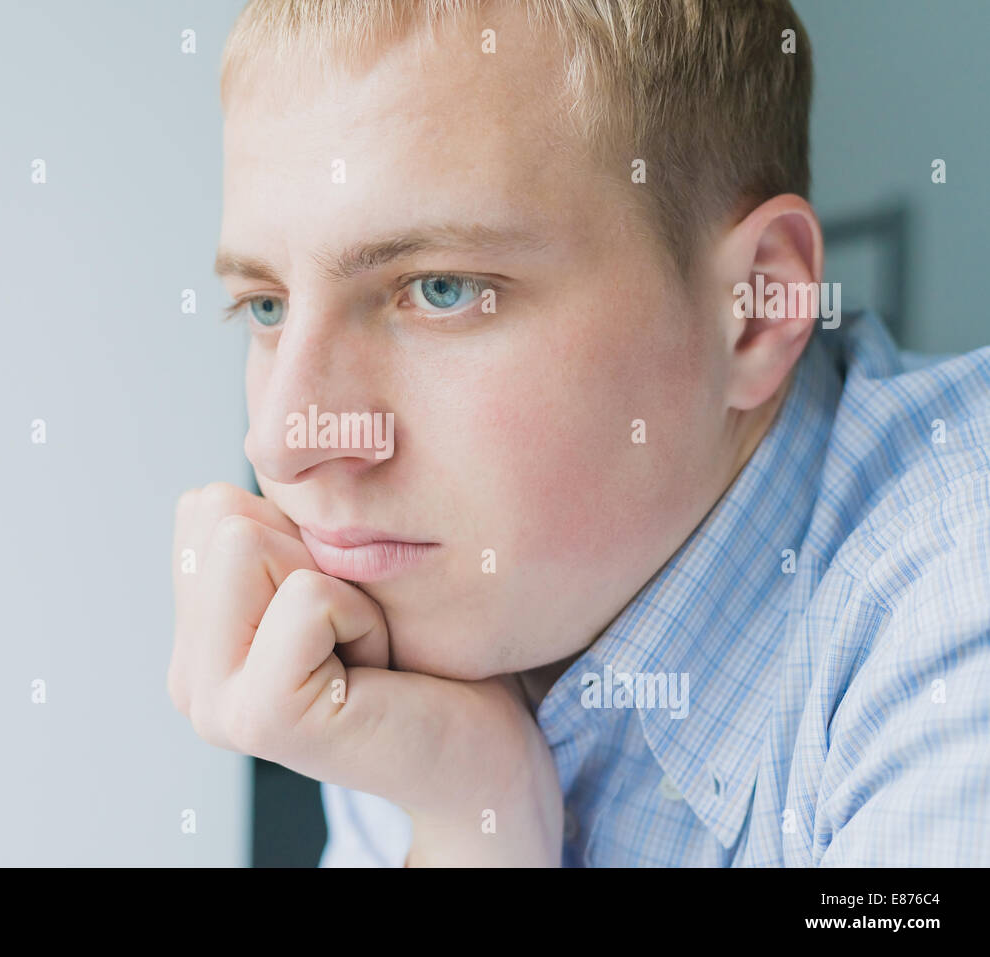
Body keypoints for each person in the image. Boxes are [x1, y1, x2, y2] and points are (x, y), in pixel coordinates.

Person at [168, 0, 990, 866]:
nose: (283, 443)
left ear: (753, 307)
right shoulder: (430, 594)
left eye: (441, 289)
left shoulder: (957, 598)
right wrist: (471, 810)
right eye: (266, 305)